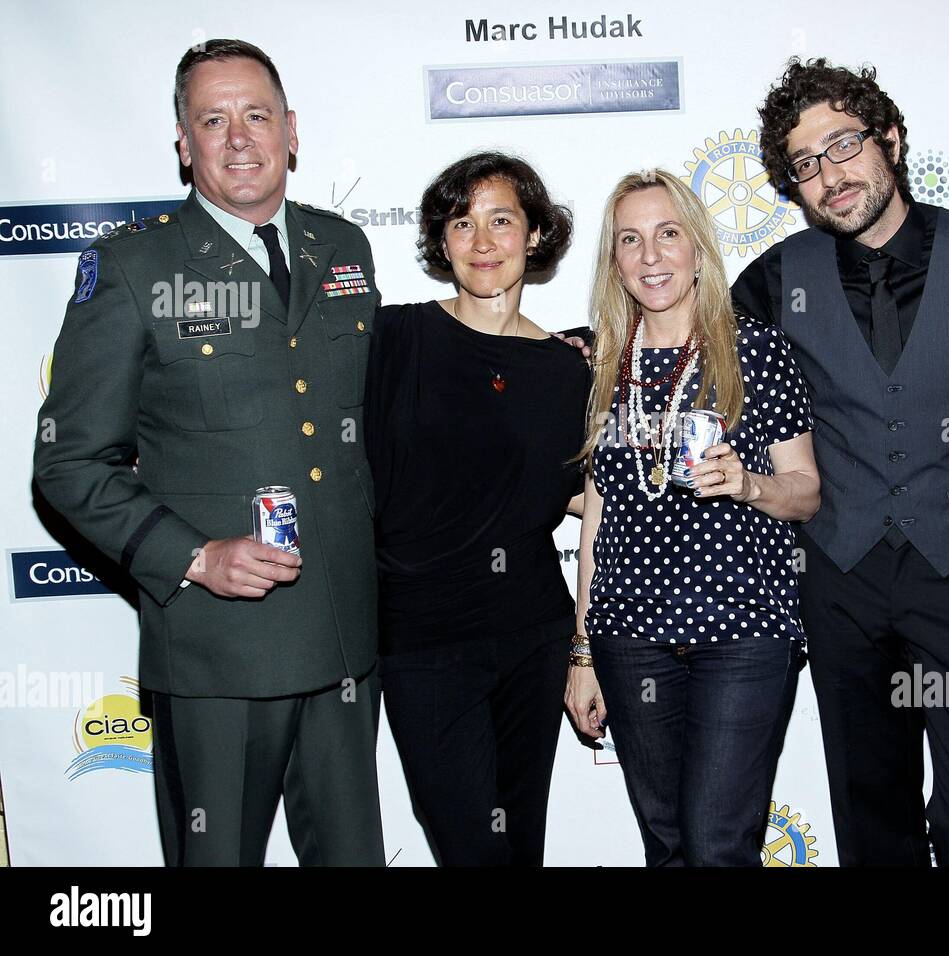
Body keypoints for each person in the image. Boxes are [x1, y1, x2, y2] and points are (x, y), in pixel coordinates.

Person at [33, 40, 384, 866]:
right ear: (184, 145)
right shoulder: (130, 266)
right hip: (216, 651)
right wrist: (192, 556)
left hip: (343, 640)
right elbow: (68, 462)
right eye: (212, 120)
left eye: (256, 116)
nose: (239, 139)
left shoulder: (345, 249)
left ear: (291, 131)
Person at [731, 58, 949, 866]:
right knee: (871, 817)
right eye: (806, 164)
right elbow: (695, 357)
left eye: (844, 144)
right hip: (844, 582)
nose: (830, 175)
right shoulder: (774, 280)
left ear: (891, 140)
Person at [563, 170, 819, 867]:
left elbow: (805, 491)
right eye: (630, 240)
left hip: (741, 633)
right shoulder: (598, 365)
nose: (651, 256)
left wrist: (748, 485)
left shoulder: (757, 352)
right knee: (669, 844)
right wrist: (583, 650)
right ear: (614, 260)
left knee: (717, 844)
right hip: (629, 638)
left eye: (668, 234)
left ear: (699, 249)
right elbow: (596, 519)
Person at [364, 153, 588, 866]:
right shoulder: (394, 339)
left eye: (501, 221)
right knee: (471, 849)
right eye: (463, 223)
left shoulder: (566, 370)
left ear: (534, 236)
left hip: (533, 636)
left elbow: (593, 500)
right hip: (423, 643)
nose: (483, 242)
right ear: (441, 239)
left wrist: (585, 651)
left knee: (519, 843)